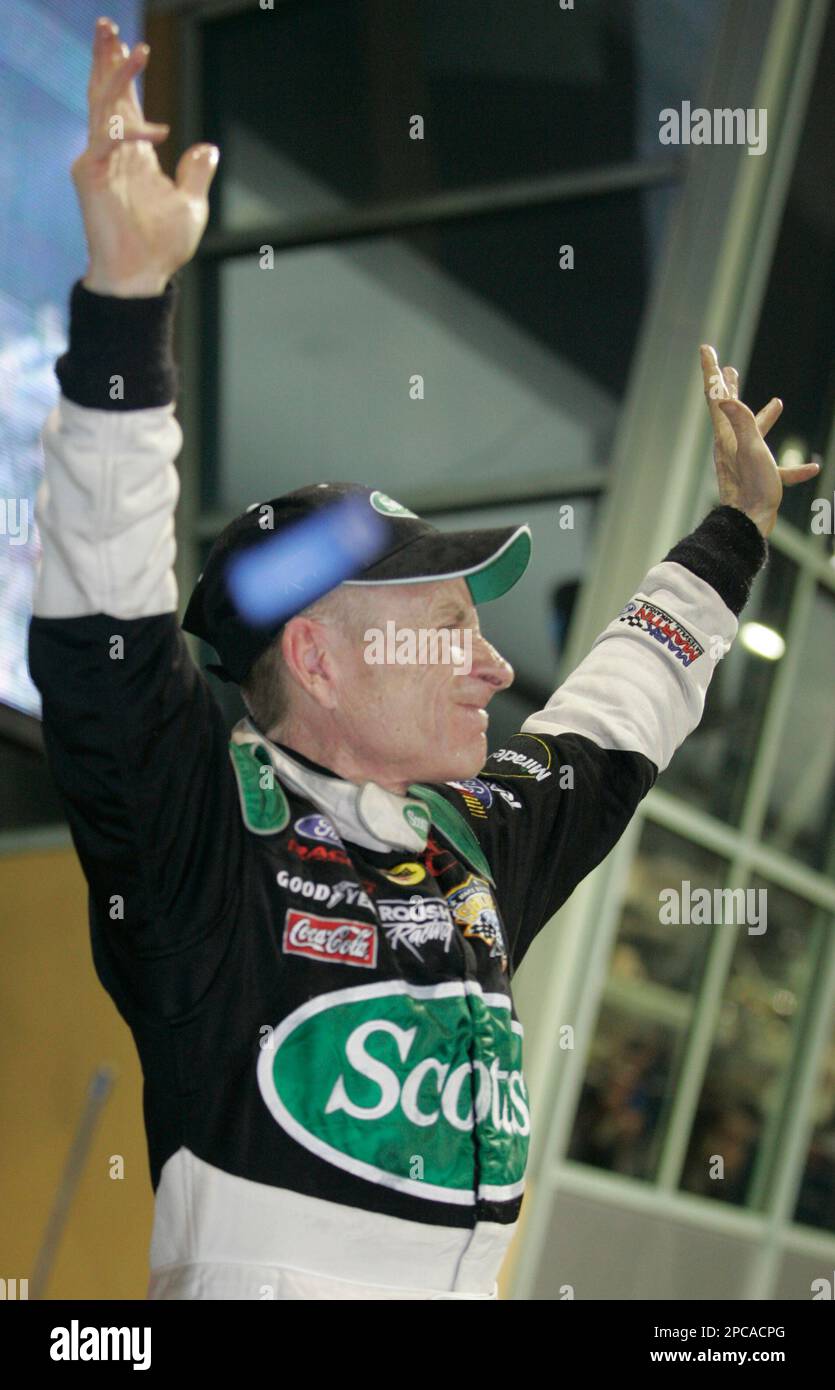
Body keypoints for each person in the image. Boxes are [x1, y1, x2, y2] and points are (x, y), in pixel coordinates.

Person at [27, 18, 819, 1301]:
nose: (498, 670)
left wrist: (735, 532)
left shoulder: (467, 840)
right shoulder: (199, 840)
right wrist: (124, 308)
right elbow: (102, 630)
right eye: (450, 627)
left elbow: (619, 715)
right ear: (321, 660)